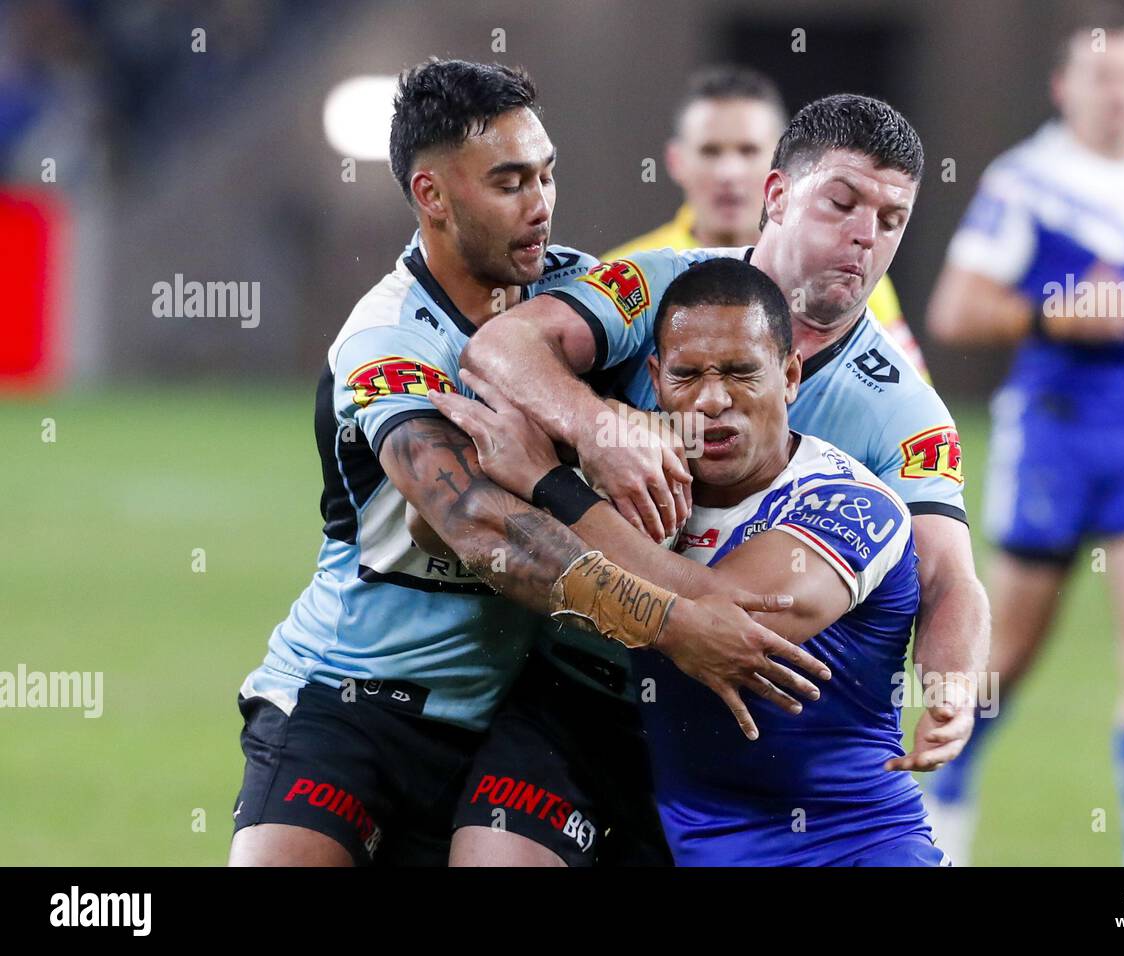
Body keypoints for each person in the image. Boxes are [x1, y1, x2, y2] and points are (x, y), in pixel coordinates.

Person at [228, 57, 824, 867]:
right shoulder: (387, 342)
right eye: (510, 183)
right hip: (352, 702)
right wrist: (677, 624)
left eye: (547, 175)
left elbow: (718, 418)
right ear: (432, 196)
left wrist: (617, 428)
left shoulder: (583, 301)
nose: (541, 205)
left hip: (519, 713)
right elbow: (472, 523)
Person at [447, 93, 990, 866]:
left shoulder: (903, 412)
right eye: (842, 202)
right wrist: (601, 428)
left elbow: (950, 578)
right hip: (582, 685)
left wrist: (955, 685)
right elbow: (500, 350)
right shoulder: (661, 287)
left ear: (790, 376)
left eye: (892, 219)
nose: (865, 236)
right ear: (777, 196)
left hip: (744, 738)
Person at [925, 8, 1124, 866]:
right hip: (1055, 440)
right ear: (1064, 88)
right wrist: (1059, 316)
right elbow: (955, 309)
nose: (1120, 94)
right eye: (1102, 78)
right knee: (1008, 653)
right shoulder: (1027, 181)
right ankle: (951, 783)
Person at [603, 64, 927, 375]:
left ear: (782, 161)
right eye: (710, 151)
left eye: (748, 151)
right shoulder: (630, 270)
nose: (729, 173)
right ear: (676, 161)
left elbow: (909, 400)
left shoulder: (847, 277)